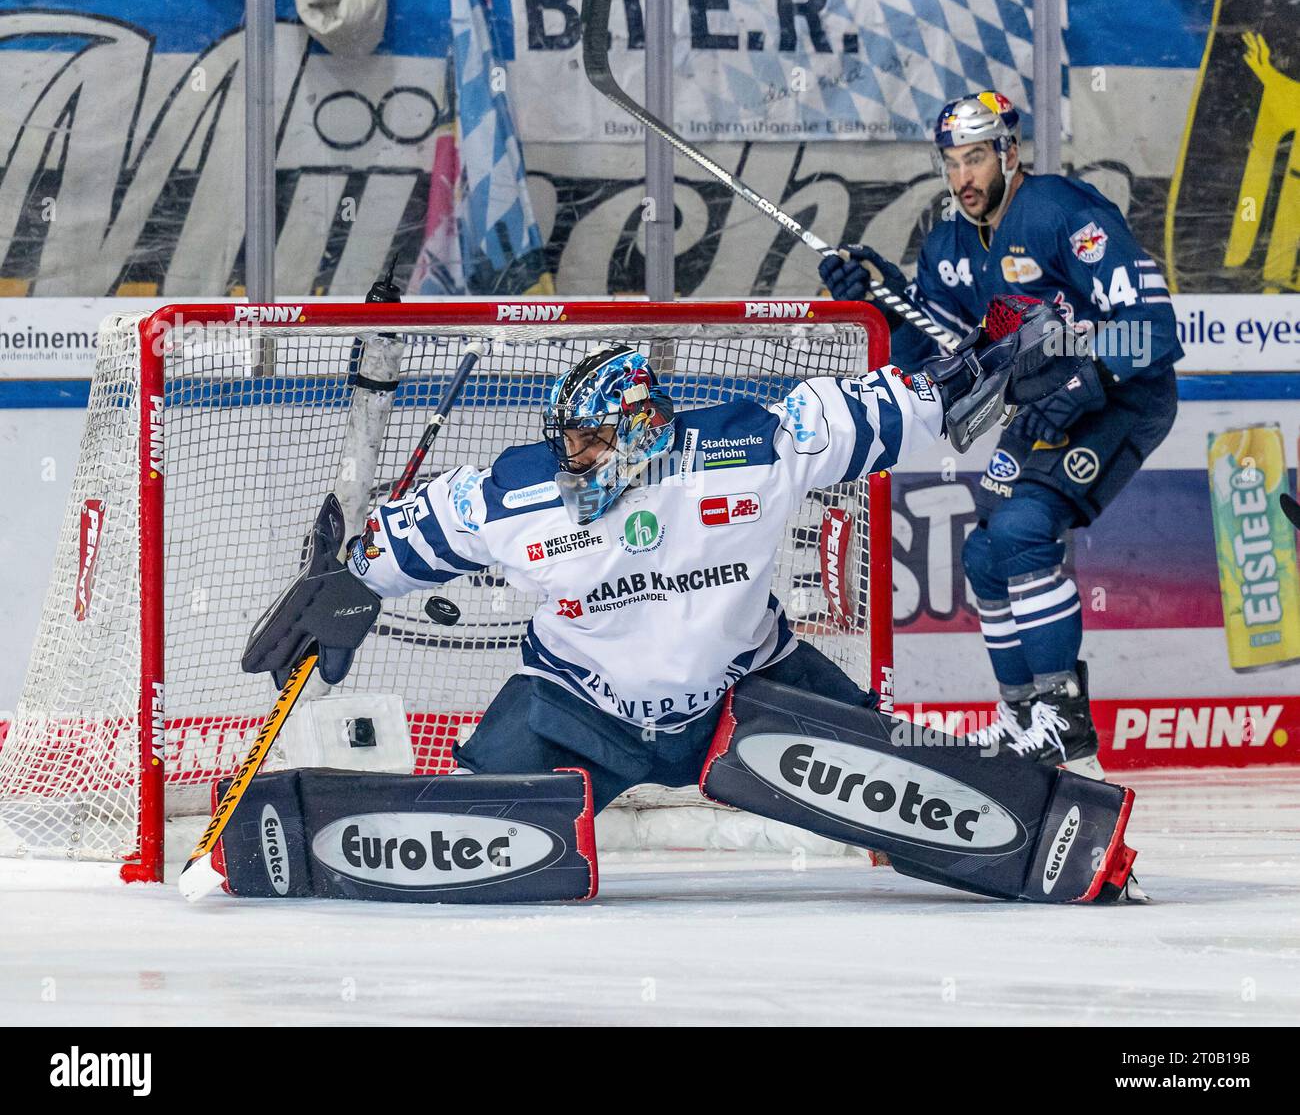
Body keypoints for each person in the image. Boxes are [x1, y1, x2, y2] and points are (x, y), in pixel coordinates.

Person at [244, 300, 1068, 815]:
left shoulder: (752, 448)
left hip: (748, 690)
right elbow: (421, 531)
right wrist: (351, 578)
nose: (572, 461)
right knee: (477, 826)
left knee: (910, 782)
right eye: (567, 442)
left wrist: (992, 365)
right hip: (573, 709)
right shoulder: (520, 494)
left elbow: (899, 407)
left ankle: (1022, 808)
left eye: (592, 441)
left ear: (642, 433)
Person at [819, 91, 1182, 778]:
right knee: (985, 553)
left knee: (1021, 528)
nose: (965, 178)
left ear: (1011, 153)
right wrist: (875, 304)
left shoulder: (1064, 214)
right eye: (953, 163)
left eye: (977, 158)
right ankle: (1023, 720)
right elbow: (935, 364)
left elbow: (1156, 329)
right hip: (1046, 405)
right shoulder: (950, 245)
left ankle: (1068, 730)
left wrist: (1084, 385)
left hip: (1124, 398)